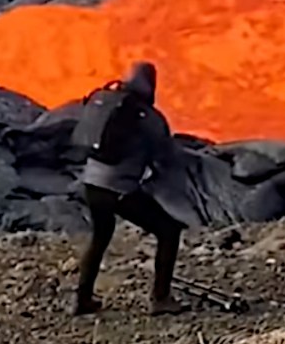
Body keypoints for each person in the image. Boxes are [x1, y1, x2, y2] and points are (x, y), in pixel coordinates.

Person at [73, 61, 200, 316]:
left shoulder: (108, 102)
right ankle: (161, 298)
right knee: (168, 231)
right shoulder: (148, 117)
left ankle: (82, 299)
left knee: (100, 235)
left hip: (90, 184)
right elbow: (164, 157)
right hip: (117, 189)